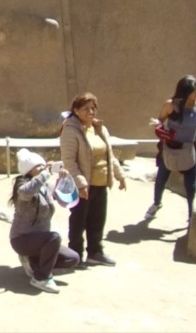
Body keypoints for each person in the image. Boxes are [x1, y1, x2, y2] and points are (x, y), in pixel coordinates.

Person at [59, 92, 126, 267]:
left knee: (97, 220)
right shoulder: (70, 131)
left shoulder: (100, 128)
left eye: (93, 108)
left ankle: (95, 252)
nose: (91, 112)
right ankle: (75, 255)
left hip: (100, 183)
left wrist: (120, 176)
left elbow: (109, 155)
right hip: (83, 185)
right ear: (76, 110)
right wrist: (81, 184)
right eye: (86, 108)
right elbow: (69, 161)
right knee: (79, 221)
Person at [146, 75, 196, 222]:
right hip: (170, 148)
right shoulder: (171, 105)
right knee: (161, 179)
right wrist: (159, 127)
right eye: (194, 90)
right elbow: (160, 120)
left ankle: (191, 216)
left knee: (191, 186)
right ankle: (156, 203)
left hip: (190, 150)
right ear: (184, 91)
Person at [9, 149, 80, 294]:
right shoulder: (22, 186)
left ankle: (33, 262)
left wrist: (63, 179)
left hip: (41, 241)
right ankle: (40, 278)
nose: (43, 168)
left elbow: (64, 199)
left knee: (73, 259)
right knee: (54, 237)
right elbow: (26, 192)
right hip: (22, 239)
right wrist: (45, 173)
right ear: (29, 170)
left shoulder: (45, 186)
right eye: (38, 166)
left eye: (43, 165)